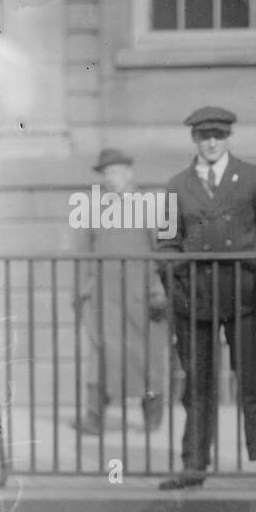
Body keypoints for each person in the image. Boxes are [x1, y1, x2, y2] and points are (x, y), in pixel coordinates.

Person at [158, 106, 256, 490]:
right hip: (195, 300)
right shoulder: (175, 186)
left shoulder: (254, 178)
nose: (211, 142)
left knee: (254, 382)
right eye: (204, 136)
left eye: (218, 135)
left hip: (245, 296)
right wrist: (178, 283)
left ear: (228, 137)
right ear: (194, 139)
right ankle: (194, 464)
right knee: (197, 384)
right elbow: (165, 244)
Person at [73, 148, 168, 435]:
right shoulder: (92, 207)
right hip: (105, 297)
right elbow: (83, 251)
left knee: (148, 356)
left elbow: (163, 251)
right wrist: (82, 292)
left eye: (114, 172)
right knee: (101, 355)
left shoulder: (150, 204)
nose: (109, 179)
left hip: (142, 296)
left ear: (130, 172)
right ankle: (94, 417)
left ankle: (152, 417)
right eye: (105, 174)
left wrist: (160, 287)